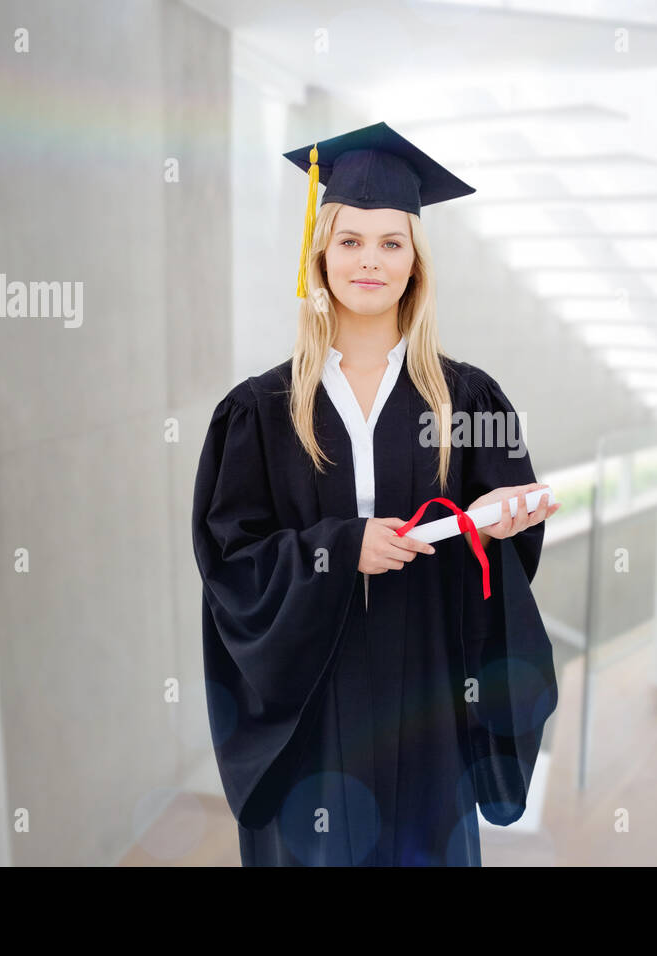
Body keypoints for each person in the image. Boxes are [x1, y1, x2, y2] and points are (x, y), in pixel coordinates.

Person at [191, 121, 561, 866]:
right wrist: (337, 548)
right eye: (351, 240)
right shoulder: (257, 411)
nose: (370, 260)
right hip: (311, 706)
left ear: (416, 261)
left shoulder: (469, 399)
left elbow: (503, 535)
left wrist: (505, 526)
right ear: (319, 253)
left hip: (428, 695)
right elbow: (229, 562)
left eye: (392, 242)